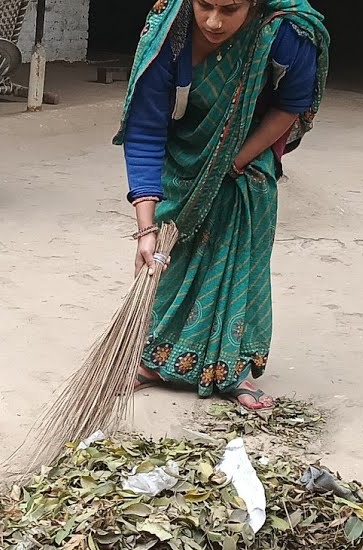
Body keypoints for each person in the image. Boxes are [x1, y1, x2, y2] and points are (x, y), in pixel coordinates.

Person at [116, 0, 329, 410]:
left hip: (246, 160)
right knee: (172, 260)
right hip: (183, 159)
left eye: (229, 9)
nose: (213, 22)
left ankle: (232, 370)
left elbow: (291, 104)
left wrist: (233, 162)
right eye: (205, 5)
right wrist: (146, 229)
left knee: (237, 259)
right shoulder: (169, 30)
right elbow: (144, 130)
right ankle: (155, 362)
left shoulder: (286, 32)